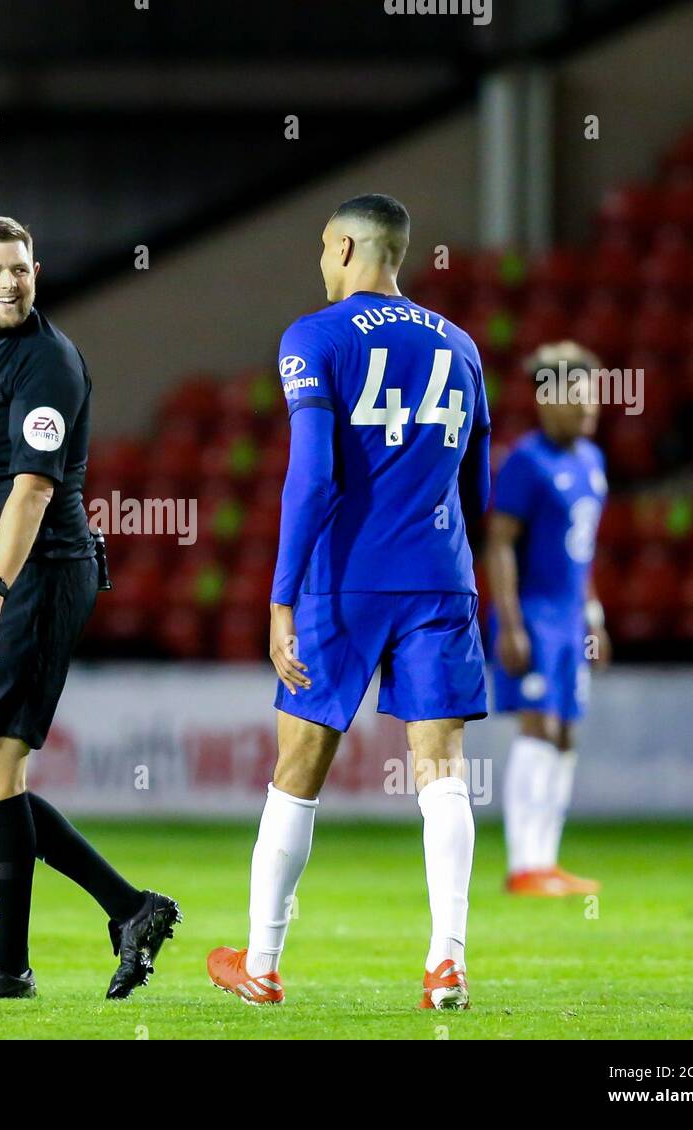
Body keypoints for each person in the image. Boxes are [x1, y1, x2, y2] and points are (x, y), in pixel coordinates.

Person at [207, 194, 491, 1010]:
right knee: (442, 774)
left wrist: (280, 599)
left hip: (343, 582)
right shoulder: (463, 345)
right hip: (441, 578)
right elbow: (476, 485)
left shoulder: (315, 337)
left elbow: (314, 480)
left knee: (297, 774)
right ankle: (448, 962)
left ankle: (261, 965)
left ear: (340, 249)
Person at [0, 216, 179, 1000]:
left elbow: (31, 490)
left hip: (40, 577)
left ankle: (9, 965)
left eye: (20, 268)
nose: (9, 283)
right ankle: (130, 908)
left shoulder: (48, 364)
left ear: (36, 271)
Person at [484, 342, 609, 897]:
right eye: (578, 396)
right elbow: (501, 544)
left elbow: (580, 550)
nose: (589, 408)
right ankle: (523, 865)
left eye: (594, 396)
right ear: (547, 400)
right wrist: (509, 623)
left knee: (564, 734)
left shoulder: (592, 460)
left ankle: (548, 859)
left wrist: (594, 616)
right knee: (537, 729)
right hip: (533, 614)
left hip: (570, 619)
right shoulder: (527, 463)